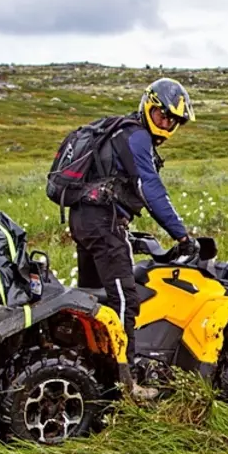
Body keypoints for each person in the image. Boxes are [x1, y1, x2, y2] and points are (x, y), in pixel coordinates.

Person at [66, 78, 197, 383]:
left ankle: (90, 367)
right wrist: (181, 236)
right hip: (102, 222)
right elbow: (150, 188)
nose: (164, 123)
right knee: (125, 299)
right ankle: (127, 380)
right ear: (147, 106)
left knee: (94, 297)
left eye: (171, 120)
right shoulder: (137, 138)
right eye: (160, 115)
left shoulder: (120, 131)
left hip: (85, 220)